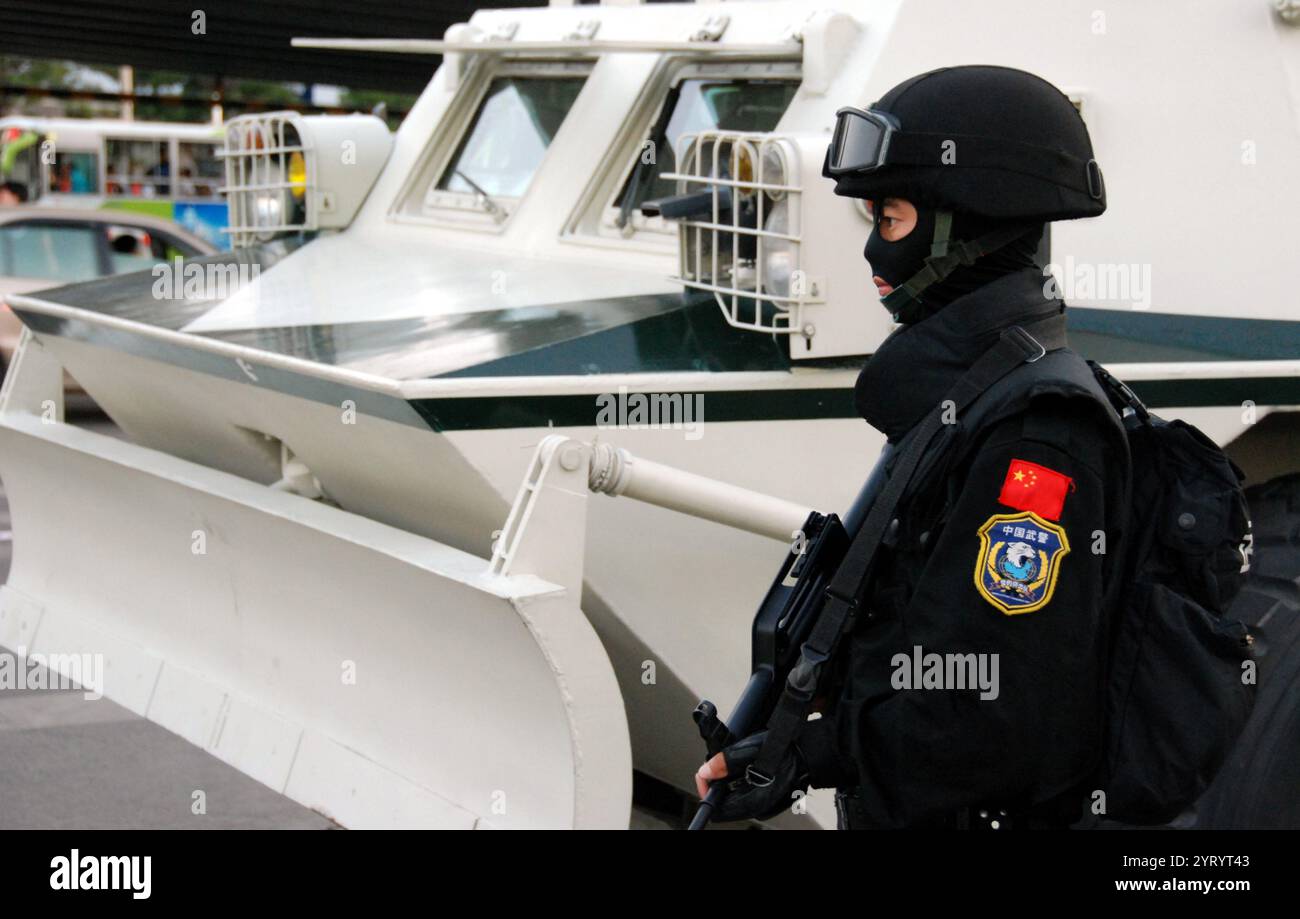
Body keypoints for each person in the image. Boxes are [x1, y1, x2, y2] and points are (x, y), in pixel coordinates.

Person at [695, 65, 1131, 829]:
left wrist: (813, 755)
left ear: (968, 224)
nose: (873, 256)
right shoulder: (970, 391)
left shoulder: (1039, 430)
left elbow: (992, 713)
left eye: (890, 220)